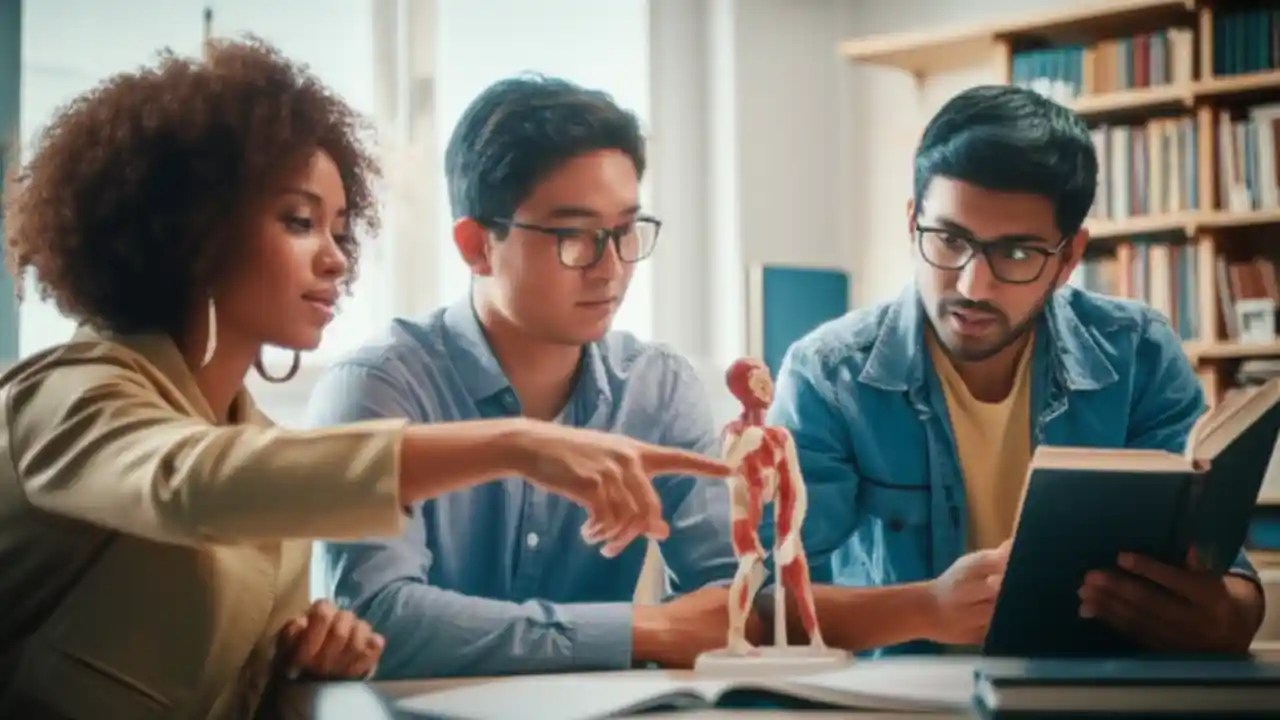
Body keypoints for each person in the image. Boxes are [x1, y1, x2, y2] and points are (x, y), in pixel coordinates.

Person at [0, 41, 727, 720]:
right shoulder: (66, 392)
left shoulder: (256, 443)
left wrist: (304, 663)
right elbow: (187, 484)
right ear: (191, 232)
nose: (337, 259)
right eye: (298, 222)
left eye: (340, 228)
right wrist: (517, 444)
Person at [762, 84, 1265, 656]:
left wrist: (1230, 614)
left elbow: (1227, 581)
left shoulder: (1139, 357)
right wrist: (925, 608)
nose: (973, 286)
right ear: (911, 224)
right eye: (949, 240)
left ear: (1069, 258)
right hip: (898, 701)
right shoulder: (829, 376)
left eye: (1018, 253)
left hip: (1088, 692)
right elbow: (763, 603)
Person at [306, 74, 751, 678]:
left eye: (623, 232)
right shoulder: (379, 386)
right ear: (476, 246)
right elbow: (380, 617)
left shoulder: (658, 388)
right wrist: (647, 629)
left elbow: (732, 600)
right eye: (573, 238)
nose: (611, 269)